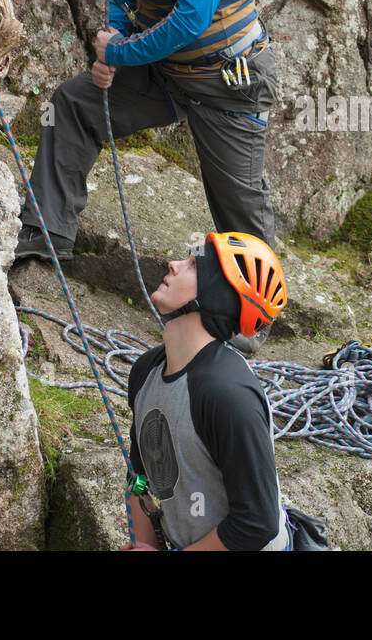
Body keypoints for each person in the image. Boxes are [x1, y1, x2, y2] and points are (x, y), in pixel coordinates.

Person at [15, 0, 280, 353]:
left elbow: (188, 22)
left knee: (238, 205)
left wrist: (125, 53)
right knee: (73, 104)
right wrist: (111, 42)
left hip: (226, 82)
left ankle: (243, 327)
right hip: (163, 67)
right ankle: (44, 242)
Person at [122, 231, 291, 551]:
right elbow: (139, 476)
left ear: (217, 295)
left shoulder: (227, 394)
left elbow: (257, 522)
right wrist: (146, 544)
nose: (172, 265)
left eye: (193, 265)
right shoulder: (146, 371)